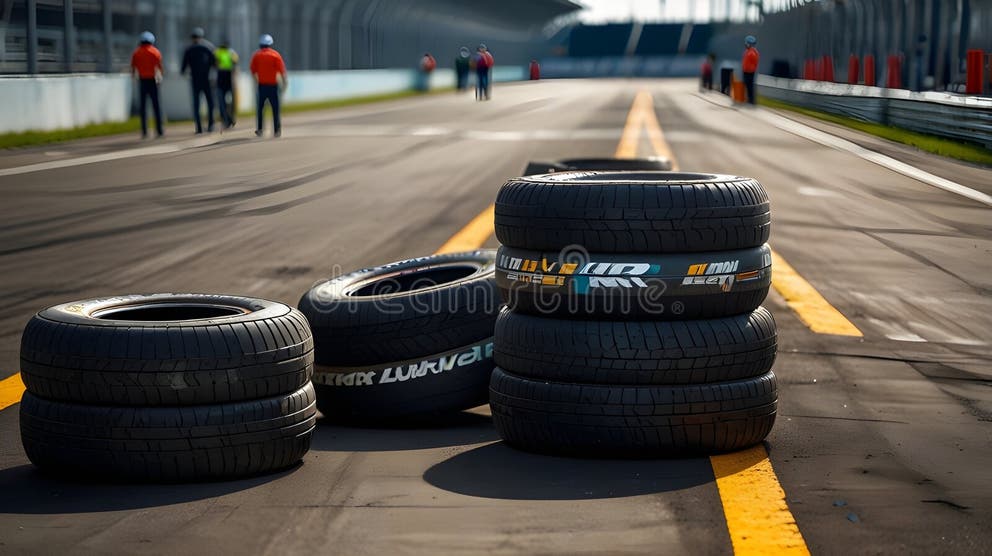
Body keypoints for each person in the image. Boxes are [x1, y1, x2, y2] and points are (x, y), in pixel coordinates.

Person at [250, 34, 287, 137]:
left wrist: (256, 82)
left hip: (262, 85)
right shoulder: (275, 55)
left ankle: (260, 129)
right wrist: (284, 83)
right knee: (275, 109)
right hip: (273, 86)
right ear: (270, 44)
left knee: (260, 109)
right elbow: (282, 71)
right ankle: (277, 130)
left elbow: (253, 71)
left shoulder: (256, 55)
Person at [181, 27, 216, 133]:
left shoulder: (189, 49)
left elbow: (183, 66)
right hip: (206, 79)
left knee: (199, 104)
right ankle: (207, 126)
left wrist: (183, 71)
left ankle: (201, 127)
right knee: (208, 103)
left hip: (198, 79)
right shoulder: (209, 47)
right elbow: (215, 63)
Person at [130, 31, 164, 139]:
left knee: (143, 107)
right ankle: (159, 131)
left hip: (142, 80)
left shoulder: (136, 52)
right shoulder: (155, 52)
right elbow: (159, 67)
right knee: (156, 106)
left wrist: (134, 77)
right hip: (153, 80)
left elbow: (133, 68)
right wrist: (160, 77)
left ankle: (144, 131)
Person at [215, 38, 239, 129]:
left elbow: (215, 63)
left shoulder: (217, 52)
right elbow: (236, 62)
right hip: (229, 78)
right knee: (231, 102)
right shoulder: (231, 52)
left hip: (221, 78)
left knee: (222, 102)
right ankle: (230, 119)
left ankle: (226, 120)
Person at [742, 35, 760, 105]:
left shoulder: (752, 53)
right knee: (747, 86)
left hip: (749, 72)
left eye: (746, 43)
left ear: (748, 43)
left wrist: (750, 69)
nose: (745, 44)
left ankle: (751, 100)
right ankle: (749, 99)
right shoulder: (748, 51)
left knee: (749, 86)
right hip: (746, 71)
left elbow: (754, 63)